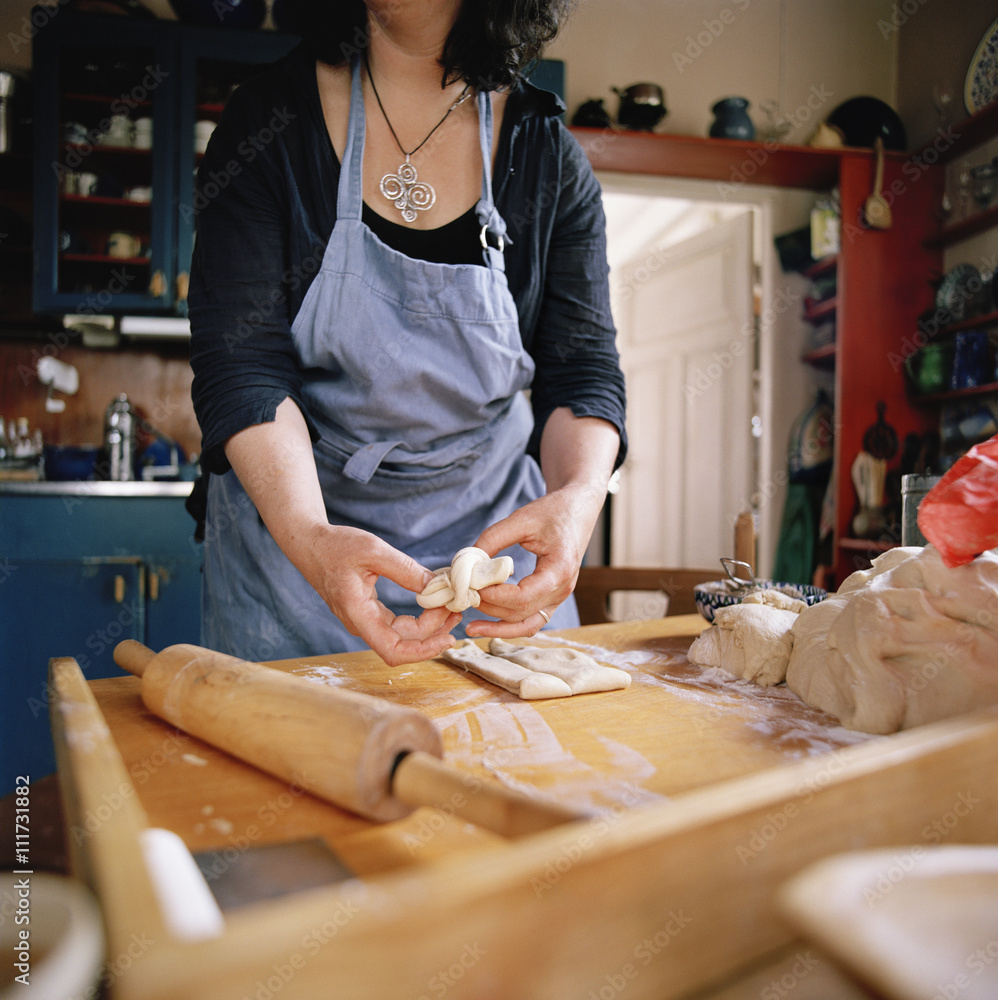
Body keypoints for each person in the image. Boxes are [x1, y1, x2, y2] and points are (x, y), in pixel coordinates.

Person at [187, 0, 626, 667]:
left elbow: (583, 373)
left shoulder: (546, 158)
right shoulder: (267, 123)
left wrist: (578, 498)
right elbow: (242, 369)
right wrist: (311, 537)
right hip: (295, 557)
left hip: (491, 558)